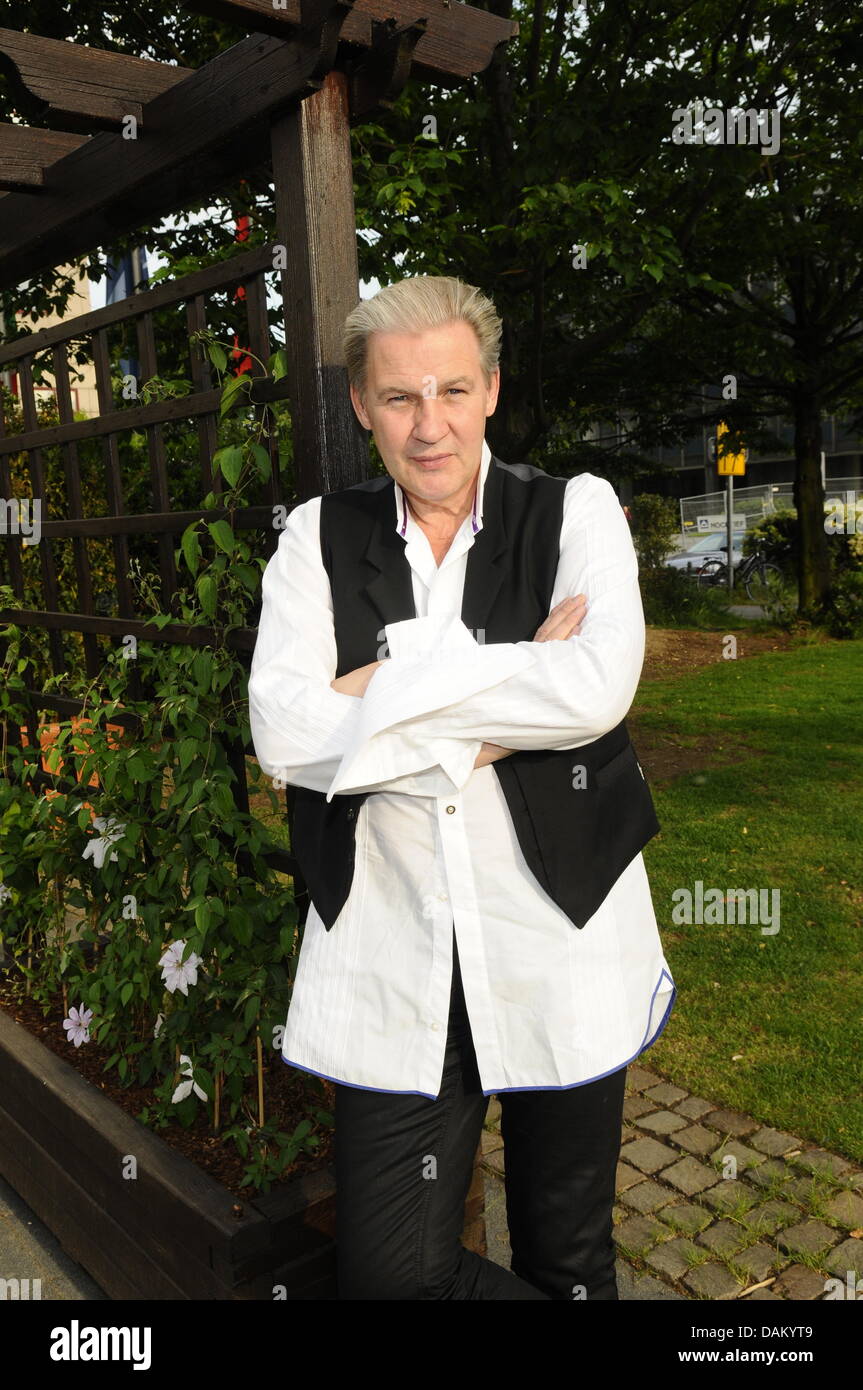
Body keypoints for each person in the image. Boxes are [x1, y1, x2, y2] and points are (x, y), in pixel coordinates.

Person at [248, 274, 676, 1300]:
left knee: (568, 1260)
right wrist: (504, 690)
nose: (427, 425)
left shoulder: (573, 511)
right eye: (398, 398)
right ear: (361, 407)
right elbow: (282, 730)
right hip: (396, 954)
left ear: (489, 388)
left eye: (450, 390)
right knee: (390, 1280)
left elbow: (593, 687)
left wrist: (383, 693)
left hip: (557, 943)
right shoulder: (317, 535)